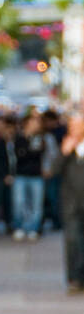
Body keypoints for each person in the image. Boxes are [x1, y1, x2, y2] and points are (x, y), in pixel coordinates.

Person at [58, 112, 84, 294]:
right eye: (71, 127)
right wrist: (64, 153)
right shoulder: (66, 147)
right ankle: (74, 278)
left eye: (77, 127)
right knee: (72, 241)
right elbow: (51, 170)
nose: (73, 130)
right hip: (71, 204)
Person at [11, 112, 47, 241]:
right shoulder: (19, 137)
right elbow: (20, 155)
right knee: (19, 202)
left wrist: (28, 152)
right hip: (21, 174)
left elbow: (39, 153)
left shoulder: (41, 138)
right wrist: (30, 151)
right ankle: (20, 226)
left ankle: (33, 228)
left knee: (36, 204)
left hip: (36, 175)